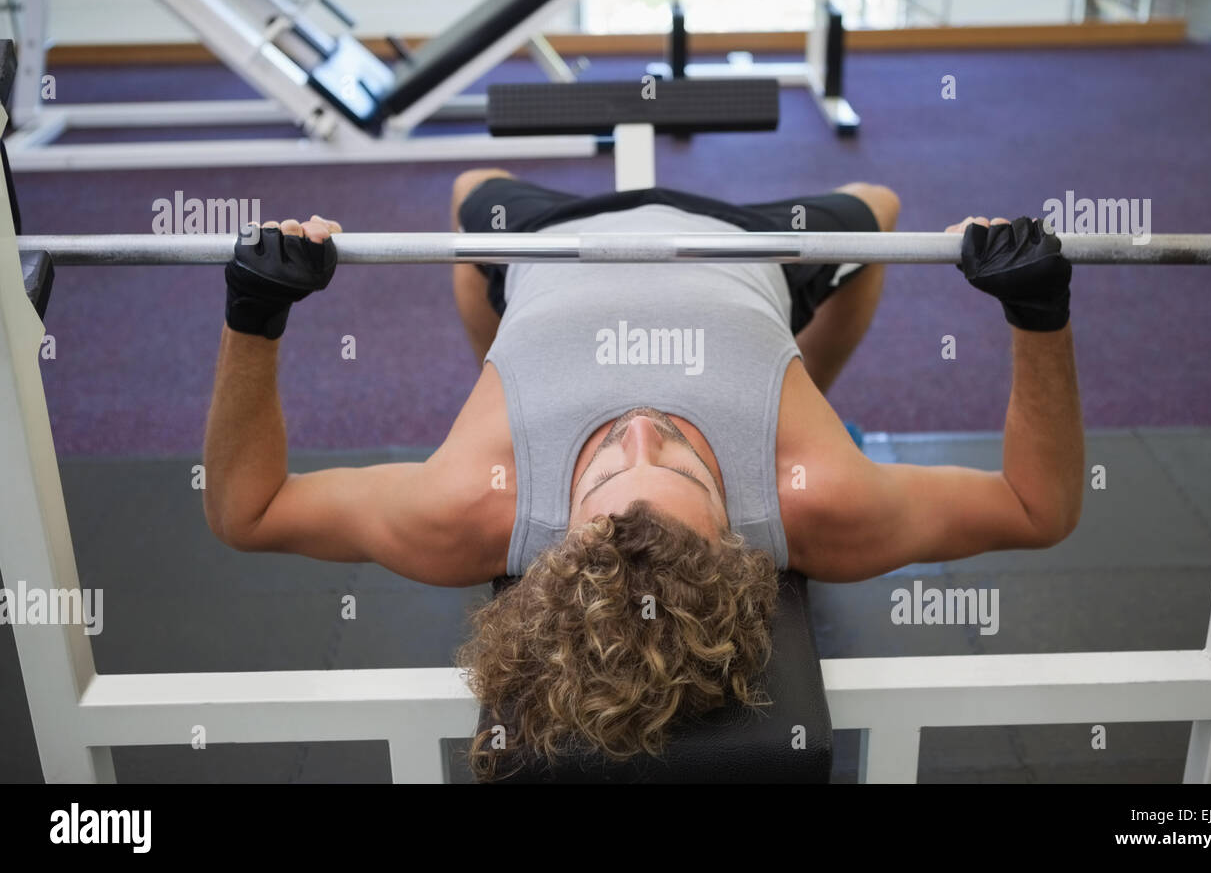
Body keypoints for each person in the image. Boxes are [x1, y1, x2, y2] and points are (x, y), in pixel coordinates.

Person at [203, 173, 1083, 780]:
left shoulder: (473, 501)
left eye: (603, 473)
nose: (636, 429)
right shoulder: (817, 492)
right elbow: (1036, 507)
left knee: (474, 200)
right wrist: (1035, 313)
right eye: (681, 463)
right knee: (881, 214)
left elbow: (250, 510)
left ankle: (497, 350)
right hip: (752, 241)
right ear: (739, 540)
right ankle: (808, 377)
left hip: (548, 239)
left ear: (554, 543)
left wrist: (256, 312)